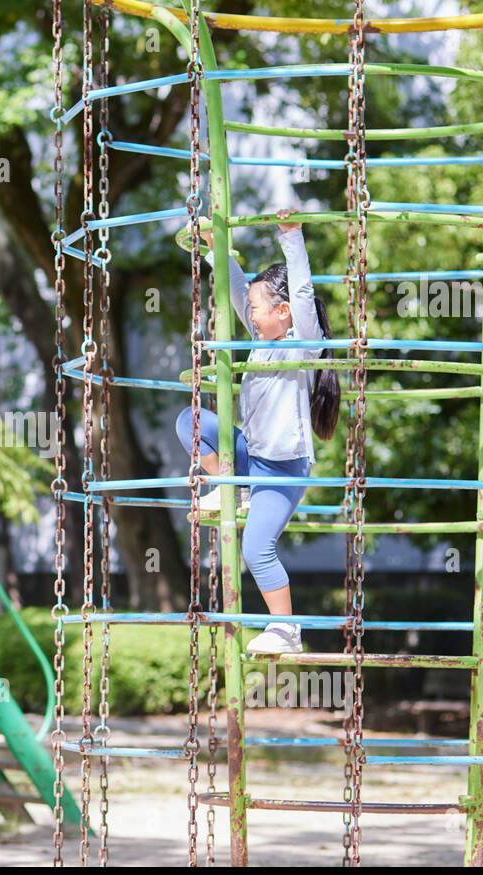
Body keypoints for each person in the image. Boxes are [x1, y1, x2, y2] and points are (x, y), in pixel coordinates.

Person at [174, 208, 340, 655]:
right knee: (189, 422)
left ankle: (286, 629)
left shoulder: (302, 347)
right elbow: (234, 287)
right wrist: (214, 249)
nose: (248, 312)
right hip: (253, 456)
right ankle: (233, 488)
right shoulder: (260, 341)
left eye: (256, 307)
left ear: (283, 313)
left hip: (283, 470)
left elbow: (303, 293)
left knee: (257, 548)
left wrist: (291, 237)